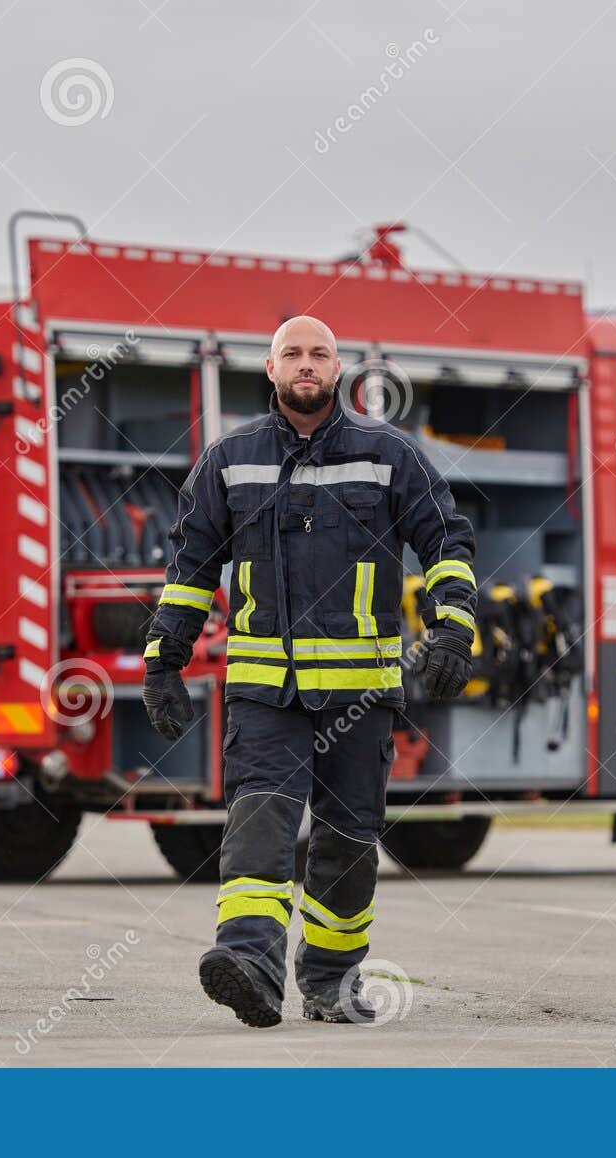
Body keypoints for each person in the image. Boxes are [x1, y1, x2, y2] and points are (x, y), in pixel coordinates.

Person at [142, 315, 477, 1027]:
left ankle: (329, 979)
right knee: (259, 821)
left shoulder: (390, 455)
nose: (305, 364)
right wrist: (163, 661)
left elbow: (445, 539)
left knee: (349, 841)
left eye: (318, 354)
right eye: (292, 353)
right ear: (269, 369)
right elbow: (190, 567)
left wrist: (454, 625)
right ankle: (249, 963)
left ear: (339, 369)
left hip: (361, 693)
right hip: (267, 690)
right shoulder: (229, 459)